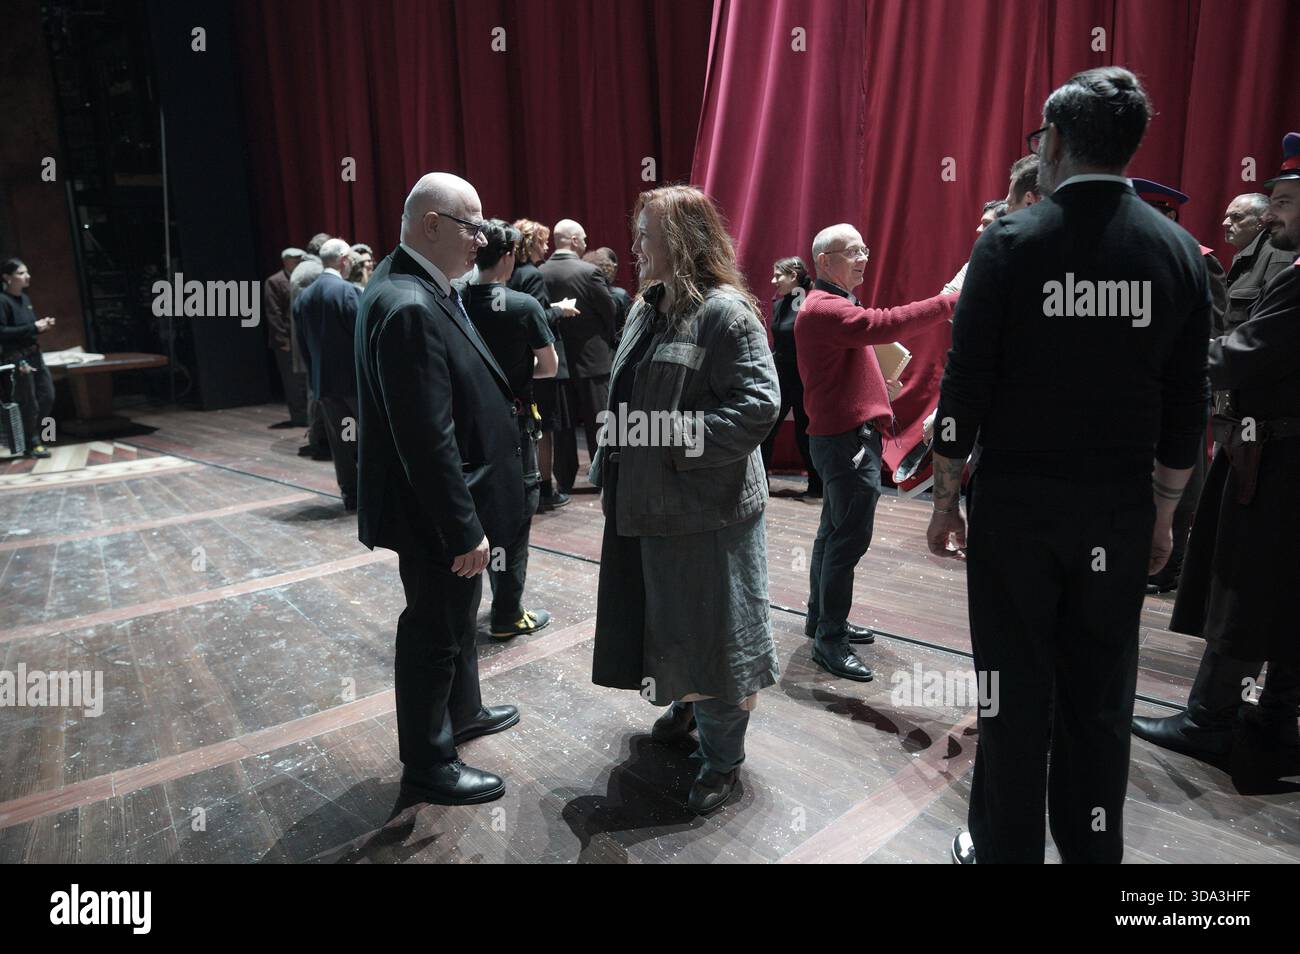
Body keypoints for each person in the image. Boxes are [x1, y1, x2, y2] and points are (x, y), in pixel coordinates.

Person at [928, 67, 1211, 864]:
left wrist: (946, 500)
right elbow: (1187, 406)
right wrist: (1162, 512)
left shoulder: (1011, 242)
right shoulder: (1179, 251)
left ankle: (1003, 848)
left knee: (1012, 691)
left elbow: (964, 389)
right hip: (1120, 513)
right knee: (1100, 695)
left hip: (1017, 509)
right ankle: (1093, 852)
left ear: (1052, 141)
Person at [590, 184, 781, 815]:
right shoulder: (648, 306)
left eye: (646, 234)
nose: (636, 245)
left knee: (717, 637)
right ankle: (686, 706)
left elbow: (759, 408)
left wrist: (671, 444)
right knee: (667, 619)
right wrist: (609, 461)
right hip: (645, 504)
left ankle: (722, 759)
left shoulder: (727, 312)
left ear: (680, 241)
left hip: (706, 511)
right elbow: (626, 396)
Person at [1132, 132, 1300, 776]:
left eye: (1283, 201)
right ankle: (1277, 716)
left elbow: (1238, 354)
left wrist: (1156, 351)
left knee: (1244, 583)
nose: (1270, 214)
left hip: (1273, 458)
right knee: (1281, 591)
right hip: (1272, 447)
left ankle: (1209, 720)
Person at [354, 172, 523, 805]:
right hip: (436, 513)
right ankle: (428, 763)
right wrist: (463, 527)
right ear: (432, 225)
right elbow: (426, 438)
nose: (482, 237)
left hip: (442, 501)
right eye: (471, 225)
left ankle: (466, 710)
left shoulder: (416, 284)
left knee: (455, 619)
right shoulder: (409, 304)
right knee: (433, 631)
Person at [797, 225, 956, 681]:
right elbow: (882, 325)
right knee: (847, 541)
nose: (864, 257)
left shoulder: (834, 305)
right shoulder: (826, 308)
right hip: (846, 441)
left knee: (833, 535)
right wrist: (948, 302)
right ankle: (830, 640)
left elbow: (854, 352)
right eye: (853, 252)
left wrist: (874, 384)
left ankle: (822, 620)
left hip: (844, 437)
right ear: (825, 261)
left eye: (865, 248)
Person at [1129, 177, 1229, 592]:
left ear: (1165, 215)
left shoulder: (1198, 259)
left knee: (1178, 477)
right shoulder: (1127, 259)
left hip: (1177, 389)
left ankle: (1170, 567)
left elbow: (1215, 329)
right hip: (1132, 392)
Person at [461, 219, 558, 638]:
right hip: (513, 427)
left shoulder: (454, 300)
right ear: (509, 257)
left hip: (462, 427)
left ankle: (464, 616)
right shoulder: (522, 305)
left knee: (470, 518)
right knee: (516, 521)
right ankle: (507, 615)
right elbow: (549, 367)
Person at [541, 218, 617, 486]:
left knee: (563, 430)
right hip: (593, 361)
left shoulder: (539, 272)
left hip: (557, 362)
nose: (586, 243)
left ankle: (563, 480)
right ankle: (604, 477)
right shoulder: (589, 272)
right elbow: (610, 311)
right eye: (583, 238)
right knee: (600, 425)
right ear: (574, 240)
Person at [509, 218, 578, 510]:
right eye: (542, 241)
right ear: (531, 243)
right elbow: (535, 319)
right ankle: (545, 488)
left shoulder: (510, 273)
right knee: (546, 426)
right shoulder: (532, 276)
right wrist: (560, 310)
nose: (546, 246)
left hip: (516, 360)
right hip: (540, 360)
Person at [294, 238, 360, 510]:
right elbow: (362, 340)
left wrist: (315, 377)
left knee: (342, 443)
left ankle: (351, 495)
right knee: (368, 439)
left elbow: (304, 347)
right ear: (344, 260)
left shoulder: (304, 298)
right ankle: (374, 496)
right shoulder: (348, 292)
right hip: (355, 383)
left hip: (325, 384)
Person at [759, 256, 820, 496]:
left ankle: (818, 485)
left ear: (793, 276)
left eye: (778, 276)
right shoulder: (780, 303)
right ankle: (760, 482)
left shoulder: (814, 301)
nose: (773, 280)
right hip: (781, 376)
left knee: (806, 433)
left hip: (805, 378)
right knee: (766, 428)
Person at [0, 258, 55, 458]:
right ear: (7, 277)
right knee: (29, 401)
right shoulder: (2, 301)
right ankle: (32, 441)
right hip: (18, 358)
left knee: (47, 396)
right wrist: (33, 327)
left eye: (27, 272)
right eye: (21, 273)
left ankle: (31, 435)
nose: (27, 276)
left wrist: (42, 326)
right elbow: (2, 332)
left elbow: (27, 329)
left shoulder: (25, 299)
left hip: (35, 354)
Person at [1222, 193, 1292, 334]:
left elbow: (1275, 322)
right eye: (1227, 216)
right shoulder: (1246, 254)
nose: (1225, 223)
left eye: (1236, 217)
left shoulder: (1278, 255)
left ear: (1262, 221)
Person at [291, 234, 331, 461]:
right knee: (318, 392)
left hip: (305, 338)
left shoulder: (302, 268)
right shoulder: (315, 271)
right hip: (315, 340)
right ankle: (320, 439)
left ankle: (317, 437)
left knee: (314, 390)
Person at [264, 247, 307, 427]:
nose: (298, 262)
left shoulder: (301, 279)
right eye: (295, 259)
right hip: (286, 342)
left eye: (300, 259)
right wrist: (283, 341)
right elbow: (273, 313)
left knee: (304, 381)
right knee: (292, 382)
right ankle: (298, 417)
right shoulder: (275, 281)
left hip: (301, 338)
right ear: (286, 261)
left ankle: (309, 416)